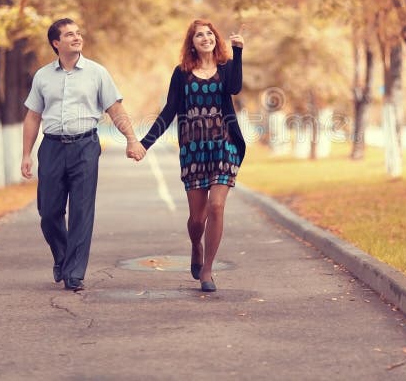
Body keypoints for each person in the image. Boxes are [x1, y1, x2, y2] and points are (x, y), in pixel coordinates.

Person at [21, 18, 146, 291]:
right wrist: (26, 154)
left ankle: (74, 272)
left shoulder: (97, 73)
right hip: (52, 147)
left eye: (78, 33)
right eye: (69, 35)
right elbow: (33, 117)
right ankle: (63, 257)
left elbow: (116, 110)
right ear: (56, 43)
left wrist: (132, 140)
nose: (76, 37)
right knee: (49, 212)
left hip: (86, 146)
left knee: (81, 211)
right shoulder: (42, 76)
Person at [141, 19, 245, 292]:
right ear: (192, 42)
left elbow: (234, 88)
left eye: (209, 33)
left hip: (224, 145)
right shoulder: (182, 73)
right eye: (199, 35)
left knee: (217, 207)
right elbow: (169, 110)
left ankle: (208, 270)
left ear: (216, 39)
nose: (205, 38)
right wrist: (145, 143)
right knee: (197, 218)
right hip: (194, 149)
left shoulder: (226, 68)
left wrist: (238, 51)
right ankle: (196, 246)